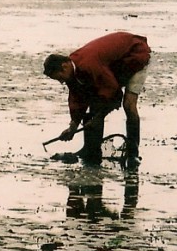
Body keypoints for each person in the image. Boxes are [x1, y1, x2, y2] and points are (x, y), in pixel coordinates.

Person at [43, 31, 151, 168]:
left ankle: (133, 153)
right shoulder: (73, 69)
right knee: (94, 103)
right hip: (115, 64)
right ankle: (90, 149)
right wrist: (73, 126)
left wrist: (99, 117)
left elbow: (114, 91)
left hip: (135, 55)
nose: (61, 82)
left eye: (59, 78)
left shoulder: (89, 65)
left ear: (64, 67)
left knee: (128, 105)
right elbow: (78, 97)